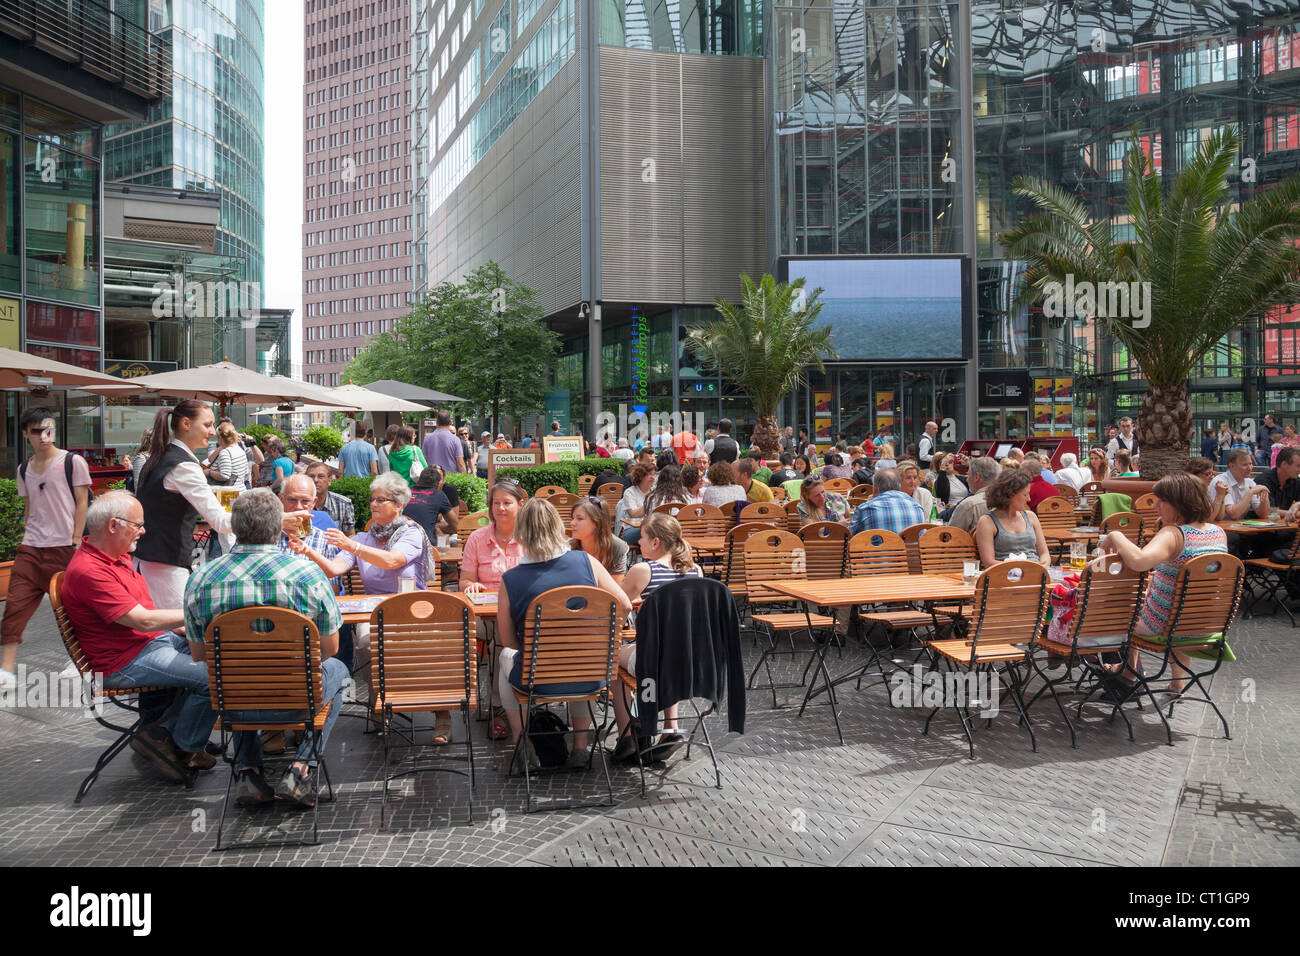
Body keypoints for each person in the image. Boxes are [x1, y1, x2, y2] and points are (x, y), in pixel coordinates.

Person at [186, 489, 346, 807]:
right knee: (339, 671)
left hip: (236, 703)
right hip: (298, 699)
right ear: (279, 527)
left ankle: (248, 771)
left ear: (234, 526)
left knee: (234, 671)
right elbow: (330, 648)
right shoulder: (308, 575)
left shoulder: (201, 578)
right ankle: (299, 770)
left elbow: (199, 655)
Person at [60, 492, 216, 778]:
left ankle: (166, 733)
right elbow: (141, 620)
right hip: (124, 662)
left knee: (221, 658)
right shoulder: (90, 570)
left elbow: (144, 613)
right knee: (215, 678)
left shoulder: (114, 556)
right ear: (113, 525)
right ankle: (182, 743)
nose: (143, 531)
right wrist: (198, 613)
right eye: (137, 524)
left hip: (145, 646)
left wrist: (180, 628)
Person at [495, 498, 632, 772]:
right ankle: (580, 747)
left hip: (538, 682)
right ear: (558, 527)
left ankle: (522, 742)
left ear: (521, 533)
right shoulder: (586, 561)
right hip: (592, 675)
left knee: (503, 657)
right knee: (579, 655)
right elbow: (625, 605)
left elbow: (509, 641)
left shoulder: (510, 580)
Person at [1096, 473, 1227, 697]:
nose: (1156, 506)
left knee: (1121, 607)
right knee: (1175, 608)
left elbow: (1138, 561)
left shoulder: (1173, 534)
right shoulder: (1218, 532)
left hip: (1164, 624)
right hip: (1206, 623)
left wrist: (1116, 535)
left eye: (1161, 501)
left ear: (1179, 503)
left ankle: (1127, 671)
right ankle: (1178, 683)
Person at [0, 407, 92, 687]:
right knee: (14, 607)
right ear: (26, 433)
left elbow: (82, 503)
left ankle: (78, 661)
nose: (44, 436)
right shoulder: (24, 469)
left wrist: (75, 541)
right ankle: (6, 670)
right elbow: (30, 506)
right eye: (37, 431)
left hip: (64, 546)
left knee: (73, 608)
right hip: (31, 548)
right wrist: (28, 534)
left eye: (48, 429)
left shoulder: (72, 462)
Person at [610, 512, 702, 761]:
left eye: (642, 537)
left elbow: (616, 606)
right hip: (690, 663)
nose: (638, 542)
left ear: (656, 542)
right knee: (671, 651)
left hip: (654, 661)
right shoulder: (696, 571)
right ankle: (670, 728)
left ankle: (626, 734)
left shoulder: (643, 570)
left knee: (613, 659)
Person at [133, 400, 237, 609]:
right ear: (186, 424)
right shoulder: (183, 465)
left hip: (149, 558)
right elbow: (220, 521)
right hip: (165, 563)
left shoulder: (162, 455)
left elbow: (161, 507)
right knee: (182, 630)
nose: (213, 432)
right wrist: (272, 521)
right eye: (207, 425)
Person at [294, 472, 431, 592]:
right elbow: (333, 570)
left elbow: (392, 560)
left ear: (398, 505)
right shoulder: (361, 539)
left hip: (411, 609)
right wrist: (308, 551)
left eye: (381, 500)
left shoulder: (411, 532)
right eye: (372, 499)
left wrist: (352, 546)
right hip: (375, 612)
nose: (373, 504)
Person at [460, 480, 526, 595]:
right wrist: (471, 586)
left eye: (507, 503)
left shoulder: (531, 538)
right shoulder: (476, 538)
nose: (500, 508)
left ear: (520, 504)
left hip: (521, 607)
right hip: (485, 608)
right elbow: (465, 581)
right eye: (496, 503)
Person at [974, 470, 1051, 568]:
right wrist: (1024, 568)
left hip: (1035, 572)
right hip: (1004, 574)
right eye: (1025, 494)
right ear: (1010, 495)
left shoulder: (1031, 516)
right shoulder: (987, 522)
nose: (1029, 499)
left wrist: (1042, 565)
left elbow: (1044, 553)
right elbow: (988, 562)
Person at [569, 498, 629, 583]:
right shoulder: (567, 548)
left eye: (579, 519)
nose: (572, 523)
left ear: (597, 523)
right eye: (572, 518)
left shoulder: (617, 548)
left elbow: (616, 588)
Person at [849, 468, 923, 535]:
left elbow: (851, 537)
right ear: (899, 485)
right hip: (911, 549)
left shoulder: (866, 509)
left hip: (879, 549)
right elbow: (922, 537)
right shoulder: (917, 507)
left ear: (875, 489)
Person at [1210, 448, 1271, 522]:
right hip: (1220, 529)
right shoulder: (1220, 482)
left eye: (1250, 464)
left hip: (1240, 528)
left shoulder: (1249, 482)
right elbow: (1233, 514)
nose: (1250, 468)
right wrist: (1250, 493)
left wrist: (1264, 496)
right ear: (1232, 466)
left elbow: (1263, 515)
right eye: (1245, 465)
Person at [947, 456, 1000, 534]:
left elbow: (951, 537)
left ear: (976, 477)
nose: (967, 479)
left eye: (968, 475)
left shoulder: (969, 505)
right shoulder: (1009, 501)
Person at [302, 460, 354, 535]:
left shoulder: (343, 504)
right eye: (311, 476)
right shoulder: (298, 504)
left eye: (321, 476)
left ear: (329, 480)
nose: (315, 480)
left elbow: (350, 535)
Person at [406, 465, 457, 543]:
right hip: (426, 546)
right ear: (438, 484)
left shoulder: (405, 492)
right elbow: (455, 526)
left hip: (400, 543)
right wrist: (435, 527)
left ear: (419, 480)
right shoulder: (438, 495)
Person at [617, 463, 657, 546]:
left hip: (652, 528)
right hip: (631, 530)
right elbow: (633, 514)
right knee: (651, 532)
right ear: (640, 476)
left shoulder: (655, 491)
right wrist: (649, 502)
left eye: (654, 474)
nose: (653, 478)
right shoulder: (630, 492)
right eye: (649, 474)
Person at [421, 410, 465, 475]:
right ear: (450, 422)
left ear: (437, 422)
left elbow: (423, 460)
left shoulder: (427, 438)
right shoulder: (455, 439)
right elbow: (460, 464)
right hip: (450, 479)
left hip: (432, 478)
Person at [1185, 457, 1228, 521]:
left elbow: (1219, 517)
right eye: (1208, 474)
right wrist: (1219, 495)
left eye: (1213, 473)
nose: (1212, 477)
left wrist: (1222, 496)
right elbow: (1208, 519)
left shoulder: (1204, 491)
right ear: (1195, 474)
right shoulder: (1190, 492)